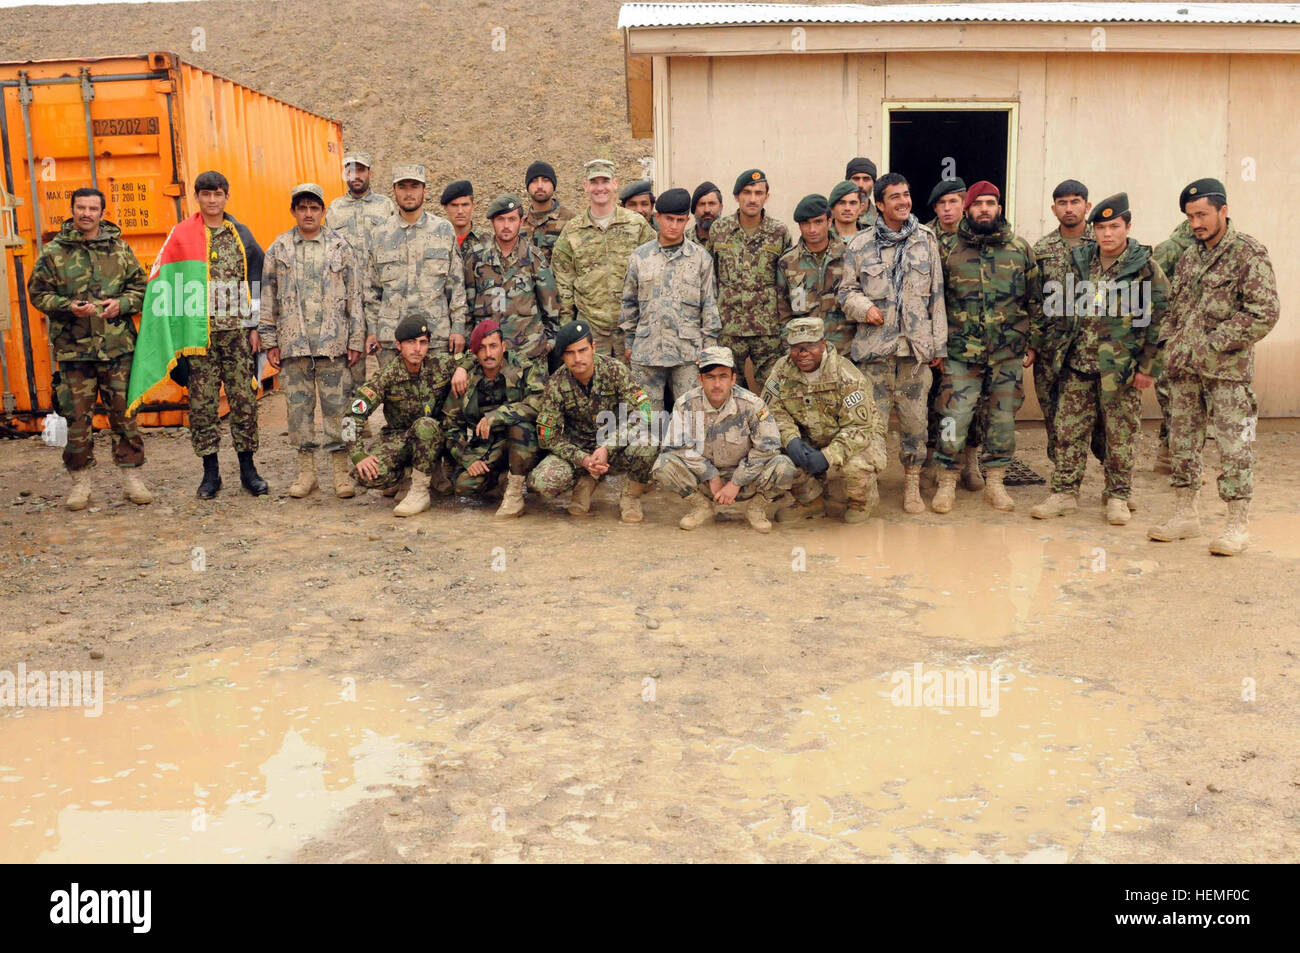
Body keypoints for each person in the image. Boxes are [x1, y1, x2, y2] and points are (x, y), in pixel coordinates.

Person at [1147, 178, 1280, 555]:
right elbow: (1177, 307)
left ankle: (1236, 524)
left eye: (1202, 214)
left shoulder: (1248, 252)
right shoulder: (1191, 255)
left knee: (1234, 446)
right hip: (1184, 371)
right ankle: (1185, 514)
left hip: (1226, 373)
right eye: (1190, 217)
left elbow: (1264, 312)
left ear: (1223, 210)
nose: (1196, 223)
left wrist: (1212, 344)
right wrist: (1169, 342)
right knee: (1183, 443)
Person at [1030, 193, 1168, 525]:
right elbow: (1058, 307)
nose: (1107, 234)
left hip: (1119, 369)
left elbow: (1161, 320)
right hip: (1078, 365)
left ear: (1127, 226)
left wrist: (1149, 367)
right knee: (1068, 431)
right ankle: (1064, 492)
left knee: (1121, 435)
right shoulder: (1080, 261)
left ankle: (1118, 495)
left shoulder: (1144, 267)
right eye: (1101, 227)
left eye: (1114, 226)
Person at [26, 186, 150, 510]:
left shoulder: (120, 250)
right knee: (77, 419)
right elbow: (37, 294)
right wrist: (68, 307)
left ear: (102, 213)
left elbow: (141, 288)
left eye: (93, 209)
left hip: (117, 349)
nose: (86, 214)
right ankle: (80, 482)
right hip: (74, 351)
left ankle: (131, 478)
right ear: (72, 209)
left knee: (124, 415)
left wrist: (121, 304)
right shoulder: (54, 252)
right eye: (80, 208)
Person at [932, 181, 1043, 514]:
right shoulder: (949, 250)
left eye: (990, 203)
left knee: (1002, 421)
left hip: (1007, 353)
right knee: (953, 417)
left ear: (999, 208)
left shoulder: (1020, 249)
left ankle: (995, 482)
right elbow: (935, 302)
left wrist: (1033, 341)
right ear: (967, 209)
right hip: (960, 354)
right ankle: (946, 482)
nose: (984, 209)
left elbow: (1036, 300)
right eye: (977, 203)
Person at [838, 173, 946, 514]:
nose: (903, 201)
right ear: (879, 205)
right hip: (874, 352)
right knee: (872, 423)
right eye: (894, 197)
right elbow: (845, 292)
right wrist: (863, 307)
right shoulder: (860, 244)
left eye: (906, 194)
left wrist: (938, 346)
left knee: (915, 423)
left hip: (914, 353)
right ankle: (868, 486)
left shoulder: (925, 240)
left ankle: (911, 485)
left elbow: (938, 297)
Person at [259, 183, 364, 500]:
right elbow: (268, 297)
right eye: (302, 207)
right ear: (293, 211)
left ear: (322, 212)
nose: (308, 213)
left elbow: (355, 297)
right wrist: (269, 339)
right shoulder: (278, 249)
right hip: (294, 347)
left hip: (333, 346)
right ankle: (307, 474)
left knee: (340, 411)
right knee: (298, 411)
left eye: (314, 208)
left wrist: (356, 338)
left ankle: (341, 472)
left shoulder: (341, 248)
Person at [185, 170, 268, 498]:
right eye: (206, 194)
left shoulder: (241, 234)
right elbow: (172, 280)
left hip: (236, 334)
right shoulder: (185, 235)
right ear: (198, 197)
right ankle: (210, 474)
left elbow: (257, 279)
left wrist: (255, 325)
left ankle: (249, 471)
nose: (212, 200)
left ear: (226, 197)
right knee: (203, 405)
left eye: (218, 194)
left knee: (243, 402)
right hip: (200, 337)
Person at [651, 346, 794, 533]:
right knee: (663, 465)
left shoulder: (752, 404)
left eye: (723, 376)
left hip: (746, 480)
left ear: (733, 378)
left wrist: (736, 482)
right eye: (710, 377)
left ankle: (756, 508)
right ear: (700, 379)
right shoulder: (685, 404)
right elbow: (676, 447)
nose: (716, 384)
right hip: (704, 481)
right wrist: (710, 474)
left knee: (784, 466)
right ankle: (701, 506)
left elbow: (768, 447)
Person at [529, 320, 659, 522]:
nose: (578, 358)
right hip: (579, 450)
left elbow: (644, 412)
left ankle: (630, 496)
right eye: (570, 353)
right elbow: (549, 437)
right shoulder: (555, 383)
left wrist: (608, 447)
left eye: (583, 350)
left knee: (649, 442)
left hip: (614, 447)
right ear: (563, 356)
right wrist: (582, 458)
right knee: (542, 481)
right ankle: (587, 478)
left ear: (593, 348)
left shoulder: (614, 370)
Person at [764, 317, 886, 524]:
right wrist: (791, 439)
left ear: (823, 344)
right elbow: (771, 411)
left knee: (856, 467)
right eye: (796, 348)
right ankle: (812, 501)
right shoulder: (782, 370)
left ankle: (861, 500)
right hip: (810, 435)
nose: (802, 354)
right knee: (774, 453)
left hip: (855, 437)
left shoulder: (846, 375)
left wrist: (828, 456)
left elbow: (860, 428)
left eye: (809, 346)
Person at [343, 315, 468, 517]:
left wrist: (462, 369)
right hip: (401, 438)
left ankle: (420, 491)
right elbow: (351, 417)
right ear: (399, 345)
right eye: (411, 342)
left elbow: (471, 357)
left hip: (437, 436)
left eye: (423, 343)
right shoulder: (387, 376)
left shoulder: (440, 364)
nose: (417, 349)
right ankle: (406, 476)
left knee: (426, 425)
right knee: (367, 476)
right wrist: (358, 455)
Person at [619, 187, 720, 416]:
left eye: (680, 220)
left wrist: (708, 345)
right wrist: (629, 343)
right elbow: (629, 304)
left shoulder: (701, 258)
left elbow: (709, 305)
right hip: (647, 352)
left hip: (687, 353)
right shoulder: (639, 257)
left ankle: (683, 453)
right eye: (668, 219)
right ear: (657, 217)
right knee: (646, 421)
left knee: (691, 418)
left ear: (687, 220)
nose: (674, 225)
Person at [550, 159, 655, 360]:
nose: (600, 188)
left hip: (632, 331)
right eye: (594, 182)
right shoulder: (572, 231)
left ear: (615, 183)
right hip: (590, 332)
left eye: (605, 181)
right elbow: (563, 287)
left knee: (633, 389)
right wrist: (567, 331)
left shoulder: (637, 225)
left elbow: (654, 273)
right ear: (586, 186)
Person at [441, 319, 546, 519]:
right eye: (482, 348)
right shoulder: (466, 379)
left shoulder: (522, 368)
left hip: (525, 443)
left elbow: (538, 402)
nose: (488, 354)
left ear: (503, 347)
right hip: (488, 446)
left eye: (493, 346)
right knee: (464, 486)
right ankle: (499, 480)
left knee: (519, 427)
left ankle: (515, 491)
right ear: (474, 352)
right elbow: (450, 427)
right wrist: (467, 458)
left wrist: (497, 415)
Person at [364, 164, 468, 364]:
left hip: (435, 337)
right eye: (403, 187)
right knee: (394, 395)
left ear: (424, 191)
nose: (409, 193)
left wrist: (458, 329)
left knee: (435, 394)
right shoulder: (380, 234)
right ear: (394, 191)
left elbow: (456, 286)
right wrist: (371, 330)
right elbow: (372, 291)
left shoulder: (443, 230)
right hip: (392, 340)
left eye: (415, 186)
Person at [706, 168, 792, 391]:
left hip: (768, 329)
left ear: (766, 196)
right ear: (736, 196)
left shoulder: (779, 232)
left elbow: (788, 282)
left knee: (774, 389)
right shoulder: (720, 230)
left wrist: (785, 325)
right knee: (727, 389)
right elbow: (709, 278)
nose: (753, 199)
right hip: (729, 328)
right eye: (747, 192)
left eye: (758, 192)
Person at [1033, 179, 1096, 468]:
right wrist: (1034, 342)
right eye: (1062, 203)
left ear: (1087, 205)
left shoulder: (1104, 242)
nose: (1069, 208)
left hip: (1093, 347)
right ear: (1053, 209)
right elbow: (1033, 299)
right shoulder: (1042, 248)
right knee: (1054, 412)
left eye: (1075, 202)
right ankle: (1063, 478)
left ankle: (1113, 480)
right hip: (1052, 348)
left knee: (1103, 419)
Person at [326, 151, 396, 399]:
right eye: (350, 170)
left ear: (369, 173)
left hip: (380, 298)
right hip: (347, 300)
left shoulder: (385, 206)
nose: (356, 176)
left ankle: (394, 426)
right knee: (352, 367)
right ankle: (356, 427)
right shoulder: (334, 209)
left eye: (361, 170)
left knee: (389, 365)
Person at [461, 193, 558, 371]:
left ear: (521, 222)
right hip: (487, 358)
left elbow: (551, 310)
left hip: (529, 358)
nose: (506, 226)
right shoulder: (475, 258)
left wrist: (548, 345)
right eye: (501, 219)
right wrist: (471, 347)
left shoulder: (535, 258)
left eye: (512, 219)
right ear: (492, 222)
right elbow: (467, 308)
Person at [776, 194, 850, 356]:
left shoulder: (849, 255)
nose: (812, 230)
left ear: (829, 221)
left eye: (818, 222)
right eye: (805, 224)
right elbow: (784, 314)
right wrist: (790, 351)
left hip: (845, 351)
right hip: (806, 354)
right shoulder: (788, 262)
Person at [521, 160, 575, 263]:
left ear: (553, 185)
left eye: (545, 180)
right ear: (528, 186)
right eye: (534, 181)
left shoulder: (571, 221)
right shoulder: (519, 224)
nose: (540, 186)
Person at [845, 157, 878, 231]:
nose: (860, 185)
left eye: (866, 179)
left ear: (874, 184)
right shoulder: (831, 218)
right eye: (856, 179)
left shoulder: (883, 219)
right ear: (847, 182)